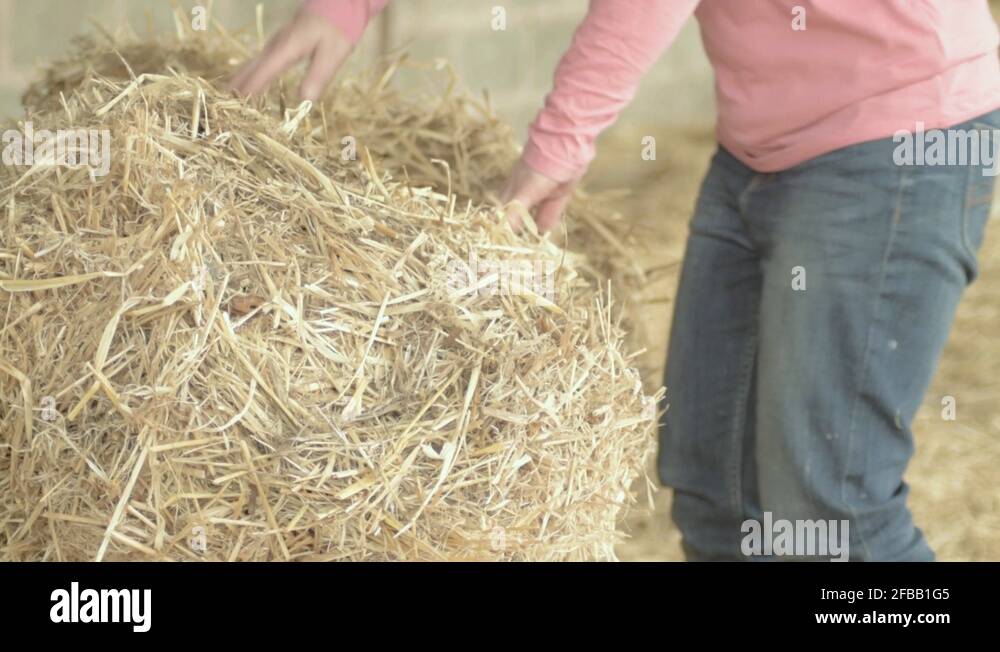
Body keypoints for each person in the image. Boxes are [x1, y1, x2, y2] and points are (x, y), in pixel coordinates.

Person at [232, 0, 1000, 561]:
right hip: (762, 149)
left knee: (830, 508)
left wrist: (560, 144)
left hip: (895, 137)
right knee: (715, 497)